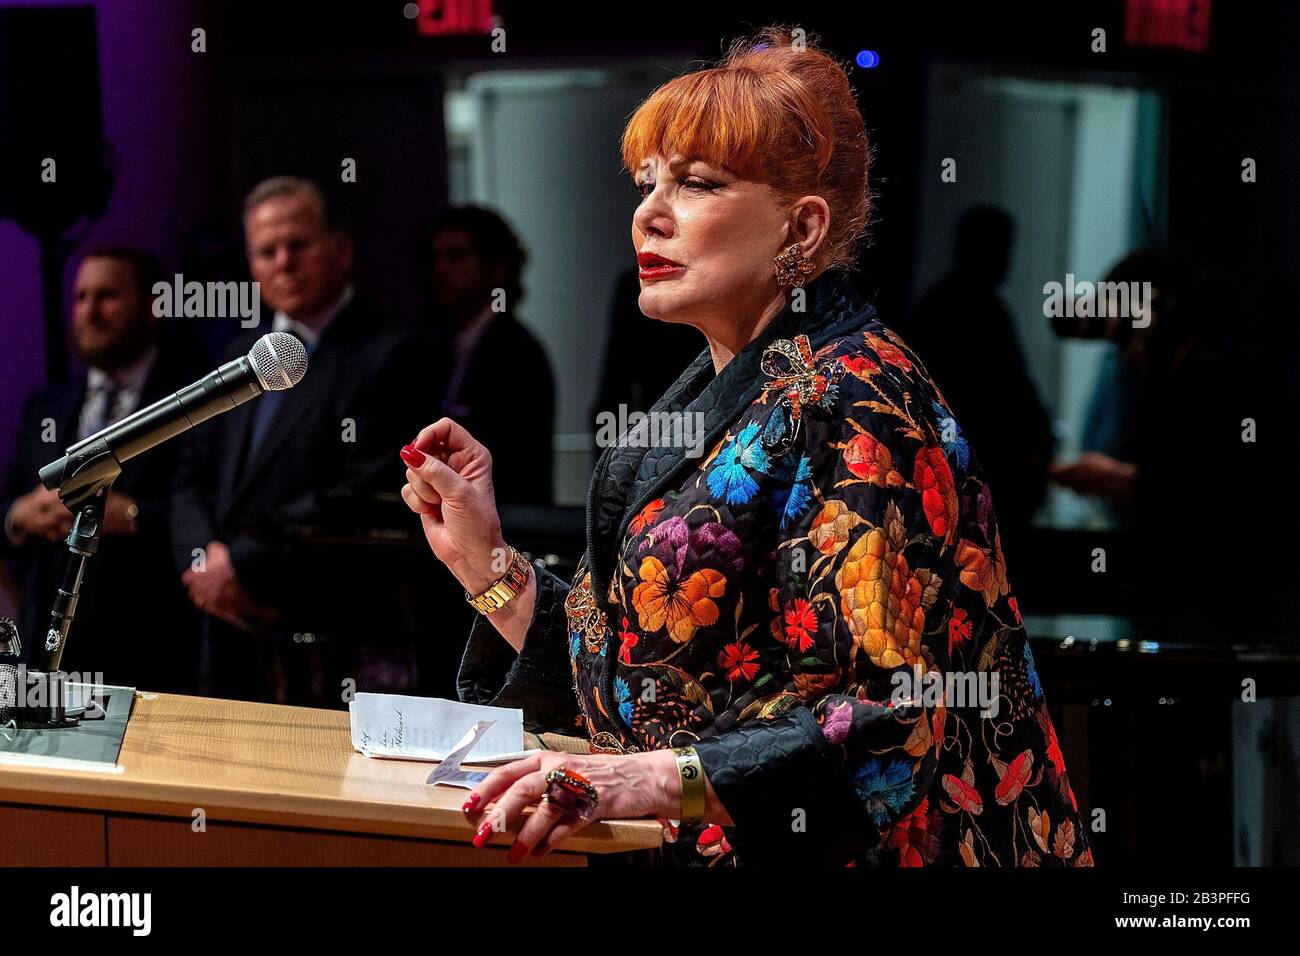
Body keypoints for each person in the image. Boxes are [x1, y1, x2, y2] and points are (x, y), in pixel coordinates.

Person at [398, 27, 1090, 867]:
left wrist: (634, 782)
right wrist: (486, 563)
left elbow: (888, 718)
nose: (650, 213)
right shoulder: (719, 383)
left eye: (696, 185)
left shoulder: (856, 395)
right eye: (648, 182)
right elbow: (644, 674)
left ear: (800, 227)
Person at [170, 177, 426, 704]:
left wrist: (240, 563)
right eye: (267, 251)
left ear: (342, 249)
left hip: (325, 629)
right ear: (251, 264)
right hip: (223, 629)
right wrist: (202, 563)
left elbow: (366, 488)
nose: (283, 262)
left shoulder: (392, 355)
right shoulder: (238, 358)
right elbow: (188, 479)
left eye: (299, 245)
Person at [0, 247, 203, 692]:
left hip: (152, 649)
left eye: (107, 295)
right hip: (46, 654)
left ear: (152, 306)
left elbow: (205, 514)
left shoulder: (193, 401)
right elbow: (7, 498)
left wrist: (131, 518)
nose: (90, 311)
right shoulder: (46, 404)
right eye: (81, 297)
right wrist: (18, 515)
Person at [904, 207, 1055, 571]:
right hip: (978, 468)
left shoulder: (941, 305)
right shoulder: (971, 309)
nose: (1006, 261)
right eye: (998, 248)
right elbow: (1010, 391)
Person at [421, 206, 555, 506]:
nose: (440, 269)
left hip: (503, 519)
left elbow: (518, 464)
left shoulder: (519, 352)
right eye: (435, 258)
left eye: (456, 257)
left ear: (496, 268)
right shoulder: (431, 346)